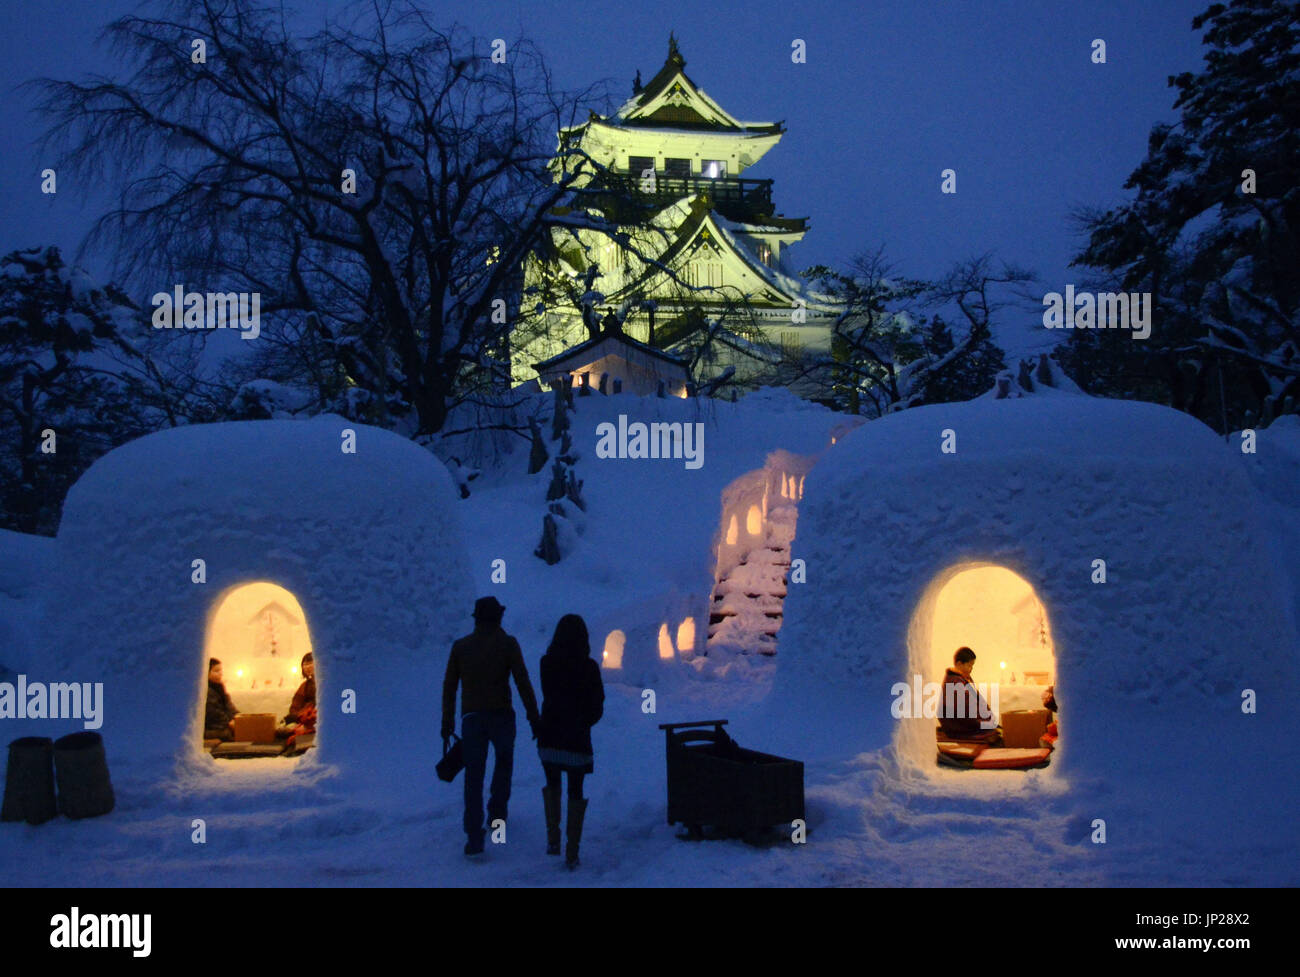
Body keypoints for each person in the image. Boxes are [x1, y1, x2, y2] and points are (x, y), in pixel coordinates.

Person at [442, 596, 540, 857]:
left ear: (476, 619)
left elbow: (449, 688)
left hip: (472, 719)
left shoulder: (461, 647)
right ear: (498, 617)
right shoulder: (507, 644)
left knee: (474, 775)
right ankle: (497, 815)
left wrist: (447, 722)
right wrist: (534, 717)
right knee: (503, 765)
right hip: (502, 717)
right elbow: (523, 682)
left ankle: (474, 835)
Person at [536, 614, 604, 869]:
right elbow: (597, 705)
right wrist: (584, 721)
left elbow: (548, 694)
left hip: (549, 736)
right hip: (576, 740)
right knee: (576, 790)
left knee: (552, 784)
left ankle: (553, 839)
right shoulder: (589, 667)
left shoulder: (546, 663)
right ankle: (572, 851)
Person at [938, 647, 1000, 744]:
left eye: (972, 666)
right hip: (957, 726)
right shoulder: (954, 681)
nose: (971, 669)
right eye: (969, 665)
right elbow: (963, 711)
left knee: (994, 728)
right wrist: (981, 722)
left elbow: (976, 699)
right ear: (959, 664)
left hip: (968, 721)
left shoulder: (962, 678)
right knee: (991, 732)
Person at [204, 658, 239, 741]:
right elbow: (213, 713)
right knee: (228, 735)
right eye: (216, 671)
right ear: (207, 673)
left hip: (223, 724)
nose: (220, 673)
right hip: (213, 727)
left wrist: (238, 718)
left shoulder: (220, 688)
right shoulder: (207, 691)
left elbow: (229, 707)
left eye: (221, 670)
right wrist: (228, 723)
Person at [284, 653, 316, 725]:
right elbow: (295, 706)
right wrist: (299, 715)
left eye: (310, 663)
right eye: (305, 664)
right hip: (305, 715)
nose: (307, 667)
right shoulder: (304, 685)